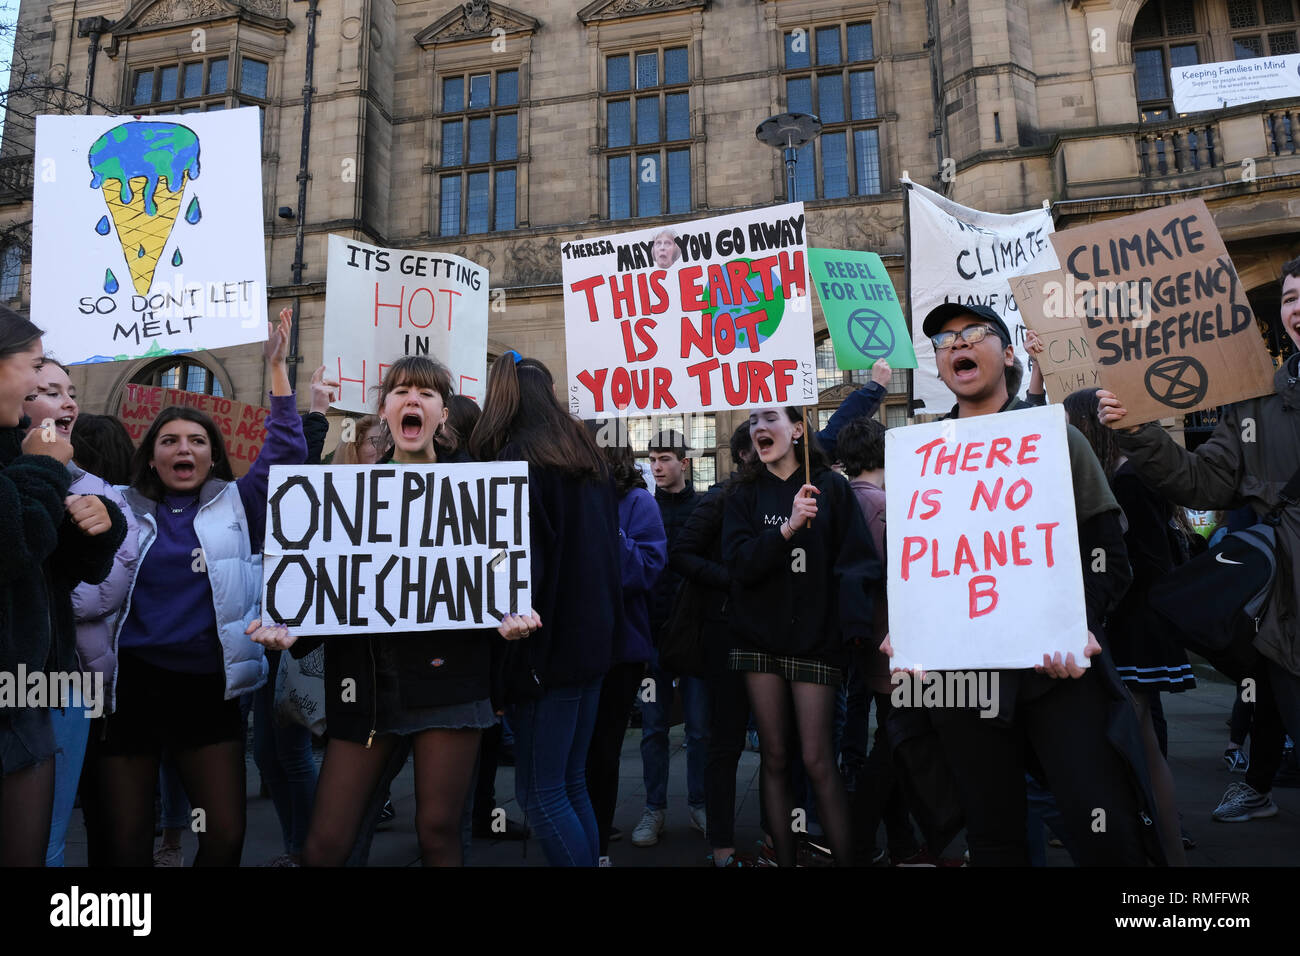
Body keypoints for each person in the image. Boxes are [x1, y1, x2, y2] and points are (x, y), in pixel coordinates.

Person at [882, 302, 1162, 866]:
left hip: (1055, 674)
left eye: (974, 334)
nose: (957, 344)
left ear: (1008, 354)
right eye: (944, 341)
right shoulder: (919, 458)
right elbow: (912, 568)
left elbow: (1108, 555)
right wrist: (902, 634)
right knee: (993, 836)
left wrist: (1079, 627)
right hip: (964, 685)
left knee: (1102, 826)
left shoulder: (1056, 439)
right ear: (940, 366)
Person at [255, 356, 498, 867]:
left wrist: (510, 621)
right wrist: (291, 632)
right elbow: (327, 593)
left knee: (437, 831)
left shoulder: (478, 489)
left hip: (448, 687)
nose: (413, 399)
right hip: (365, 689)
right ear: (384, 410)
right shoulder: (347, 495)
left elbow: (499, 581)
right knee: (325, 843)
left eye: (428, 393)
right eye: (401, 391)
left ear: (443, 415)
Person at [96, 308, 305, 867]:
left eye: (195, 440)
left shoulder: (237, 502)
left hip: (208, 688)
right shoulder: (117, 503)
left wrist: (278, 369)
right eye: (169, 441)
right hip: (131, 689)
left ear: (213, 454)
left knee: (225, 835)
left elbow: (287, 453)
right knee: (127, 841)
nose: (182, 450)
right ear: (152, 454)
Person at [1097, 255, 1300, 824]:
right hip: (1286, 614)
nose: (1296, 309)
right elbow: (1202, 481)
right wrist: (1137, 431)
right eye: (1288, 299)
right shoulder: (1258, 402)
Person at [469, 351, 622, 867]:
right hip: (594, 647)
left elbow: (517, 571)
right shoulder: (587, 457)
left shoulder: (517, 459)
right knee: (570, 781)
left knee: (540, 794)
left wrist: (505, 665)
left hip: (546, 654)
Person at [722, 406, 880, 867]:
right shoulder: (743, 493)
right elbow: (741, 566)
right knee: (772, 756)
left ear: (797, 428)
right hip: (758, 641)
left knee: (816, 759)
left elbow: (858, 562)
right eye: (752, 422)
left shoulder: (830, 487)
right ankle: (784, 858)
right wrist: (788, 528)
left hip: (815, 642)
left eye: (769, 417)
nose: (759, 428)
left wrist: (851, 631)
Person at [0, 307, 126, 866]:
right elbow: (12, 544)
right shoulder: (34, 459)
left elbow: (60, 568)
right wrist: (44, 471)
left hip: (38, 686)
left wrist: (101, 524)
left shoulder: (26, 454)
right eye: (34, 372)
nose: (43, 390)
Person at [1063, 386, 1192, 865]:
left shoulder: (1128, 481)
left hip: (1133, 627)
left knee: (1136, 749)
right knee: (1141, 746)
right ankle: (1164, 845)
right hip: (1137, 624)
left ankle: (1160, 846)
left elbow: (1134, 562)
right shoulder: (1130, 476)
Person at [23, 363, 140, 868]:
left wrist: (102, 531)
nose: (69, 403)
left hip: (66, 680)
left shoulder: (97, 490)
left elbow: (104, 586)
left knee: (44, 839)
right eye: (51, 392)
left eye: (72, 393)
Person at [834, 414, 927, 866]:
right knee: (895, 745)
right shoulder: (885, 507)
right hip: (894, 643)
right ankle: (860, 840)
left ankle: (900, 843)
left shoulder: (839, 500)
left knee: (892, 741)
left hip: (861, 642)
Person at [670, 421, 762, 866]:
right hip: (725, 635)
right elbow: (681, 553)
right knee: (723, 740)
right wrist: (730, 583)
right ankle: (721, 843)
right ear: (744, 454)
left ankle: (779, 834)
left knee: (780, 746)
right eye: (760, 445)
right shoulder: (721, 497)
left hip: (775, 636)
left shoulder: (792, 495)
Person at [586, 430, 666, 864]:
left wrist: (604, 527)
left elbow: (647, 570)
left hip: (620, 650)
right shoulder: (572, 498)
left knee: (603, 749)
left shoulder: (639, 503)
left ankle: (596, 842)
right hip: (575, 647)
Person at [635, 429, 709, 846]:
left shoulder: (704, 507)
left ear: (685, 463)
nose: (657, 467)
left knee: (699, 728)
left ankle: (699, 804)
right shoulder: (642, 508)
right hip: (651, 638)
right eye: (652, 459)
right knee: (652, 729)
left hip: (695, 638)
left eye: (665, 458)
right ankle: (653, 809)